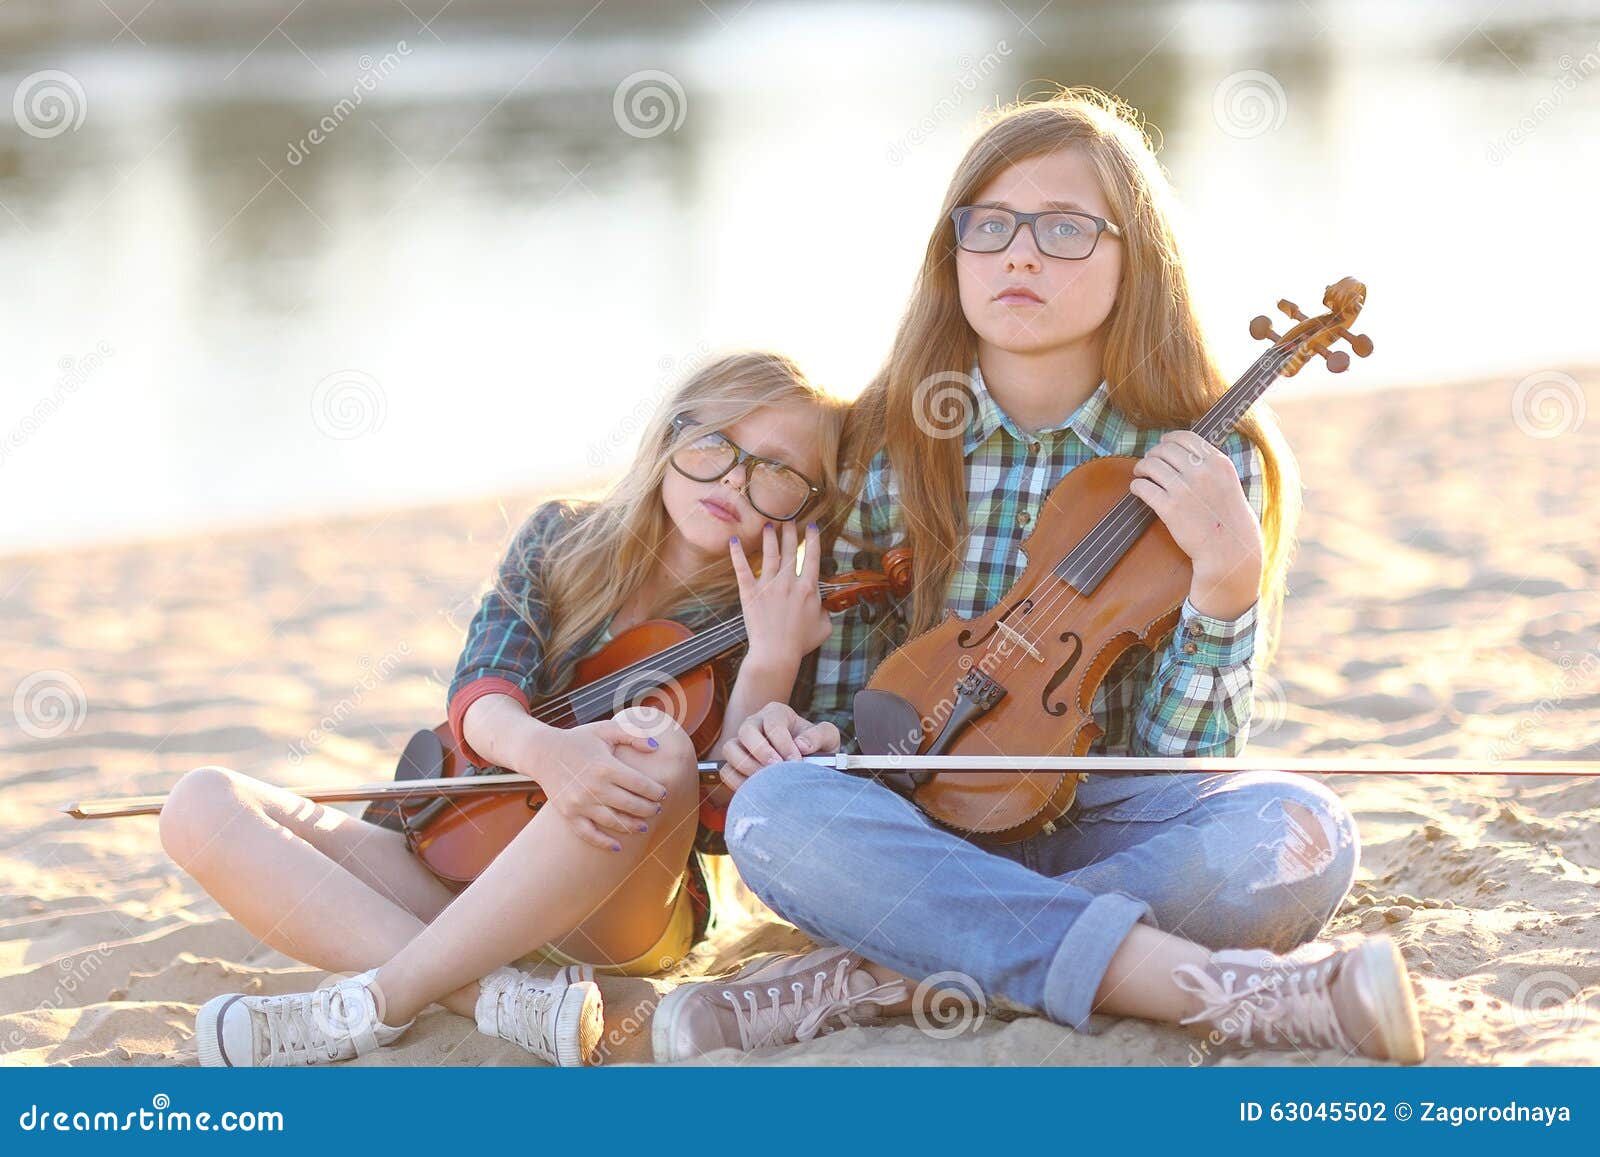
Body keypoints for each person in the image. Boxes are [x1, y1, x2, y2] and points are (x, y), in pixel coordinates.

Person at [651, 91, 1425, 1066]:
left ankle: (896, 969)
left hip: (1094, 826)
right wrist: (802, 735)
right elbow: (855, 719)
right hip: (915, 821)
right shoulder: (885, 448)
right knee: (776, 807)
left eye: (1064, 229)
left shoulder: (1195, 461)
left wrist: (1226, 579)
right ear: (953, 256)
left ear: (1131, 260)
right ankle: (1162, 973)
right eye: (991, 226)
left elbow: (1176, 763)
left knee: (1299, 828)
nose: (1020, 254)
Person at [158, 351, 845, 1066]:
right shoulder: (561, 536)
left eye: (776, 468)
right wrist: (548, 753)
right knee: (198, 803)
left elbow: (718, 820)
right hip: (466, 861)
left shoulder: (781, 615)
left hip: (617, 909)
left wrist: (769, 662)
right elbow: (481, 690)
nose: (735, 477)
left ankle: (380, 999)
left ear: (810, 504)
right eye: (715, 441)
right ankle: (488, 994)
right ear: (671, 436)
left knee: (656, 743)